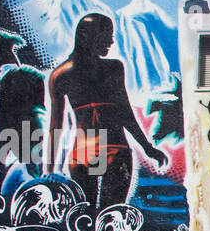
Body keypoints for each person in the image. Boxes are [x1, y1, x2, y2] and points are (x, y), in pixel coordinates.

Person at [49, 13, 168, 212]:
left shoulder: (60, 74)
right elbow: (125, 113)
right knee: (110, 219)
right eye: (106, 35)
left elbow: (56, 127)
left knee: (83, 221)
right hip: (114, 149)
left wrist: (50, 169)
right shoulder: (113, 68)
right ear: (87, 36)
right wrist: (146, 147)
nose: (112, 41)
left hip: (82, 153)